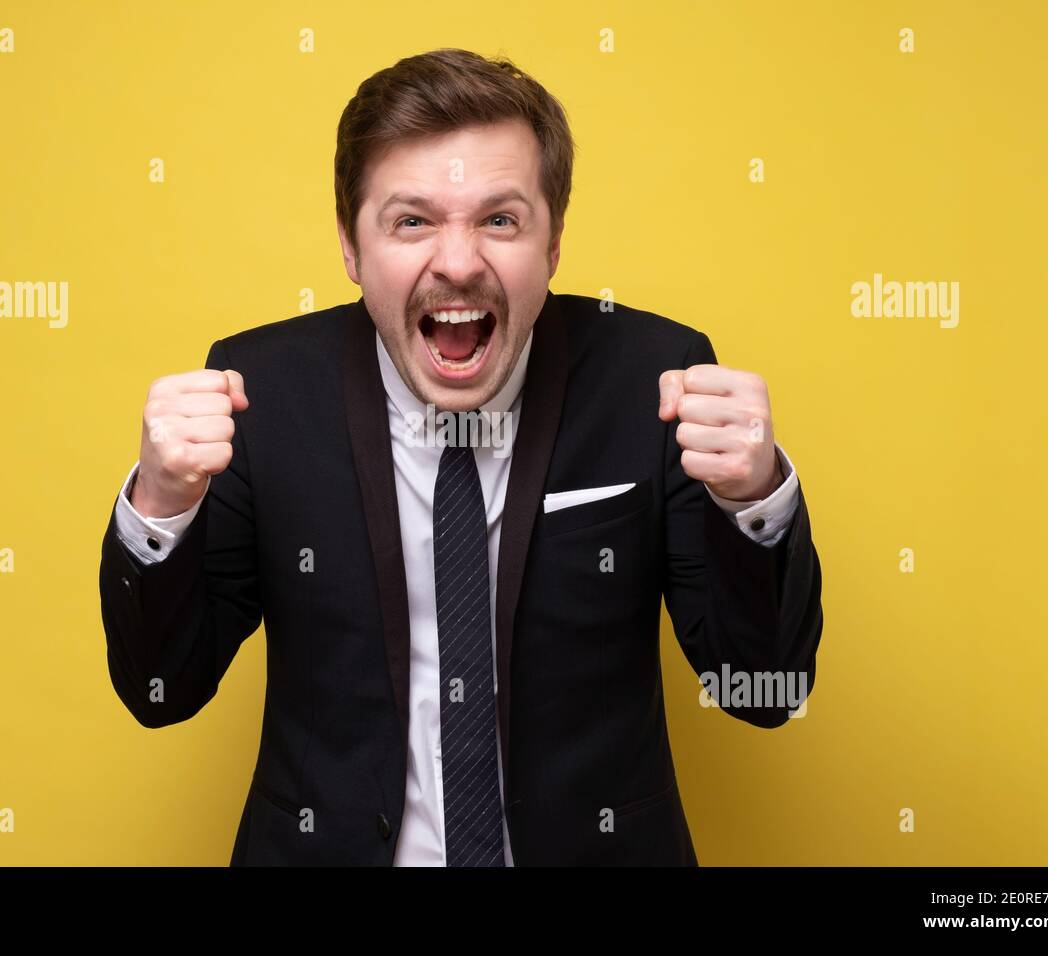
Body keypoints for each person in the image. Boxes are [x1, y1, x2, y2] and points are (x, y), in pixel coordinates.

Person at [98, 47, 823, 866]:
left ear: (552, 244)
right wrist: (160, 503)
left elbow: (765, 691)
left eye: (499, 220)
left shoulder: (652, 379)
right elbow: (162, 690)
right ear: (350, 247)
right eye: (411, 221)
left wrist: (751, 500)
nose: (457, 262)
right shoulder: (261, 392)